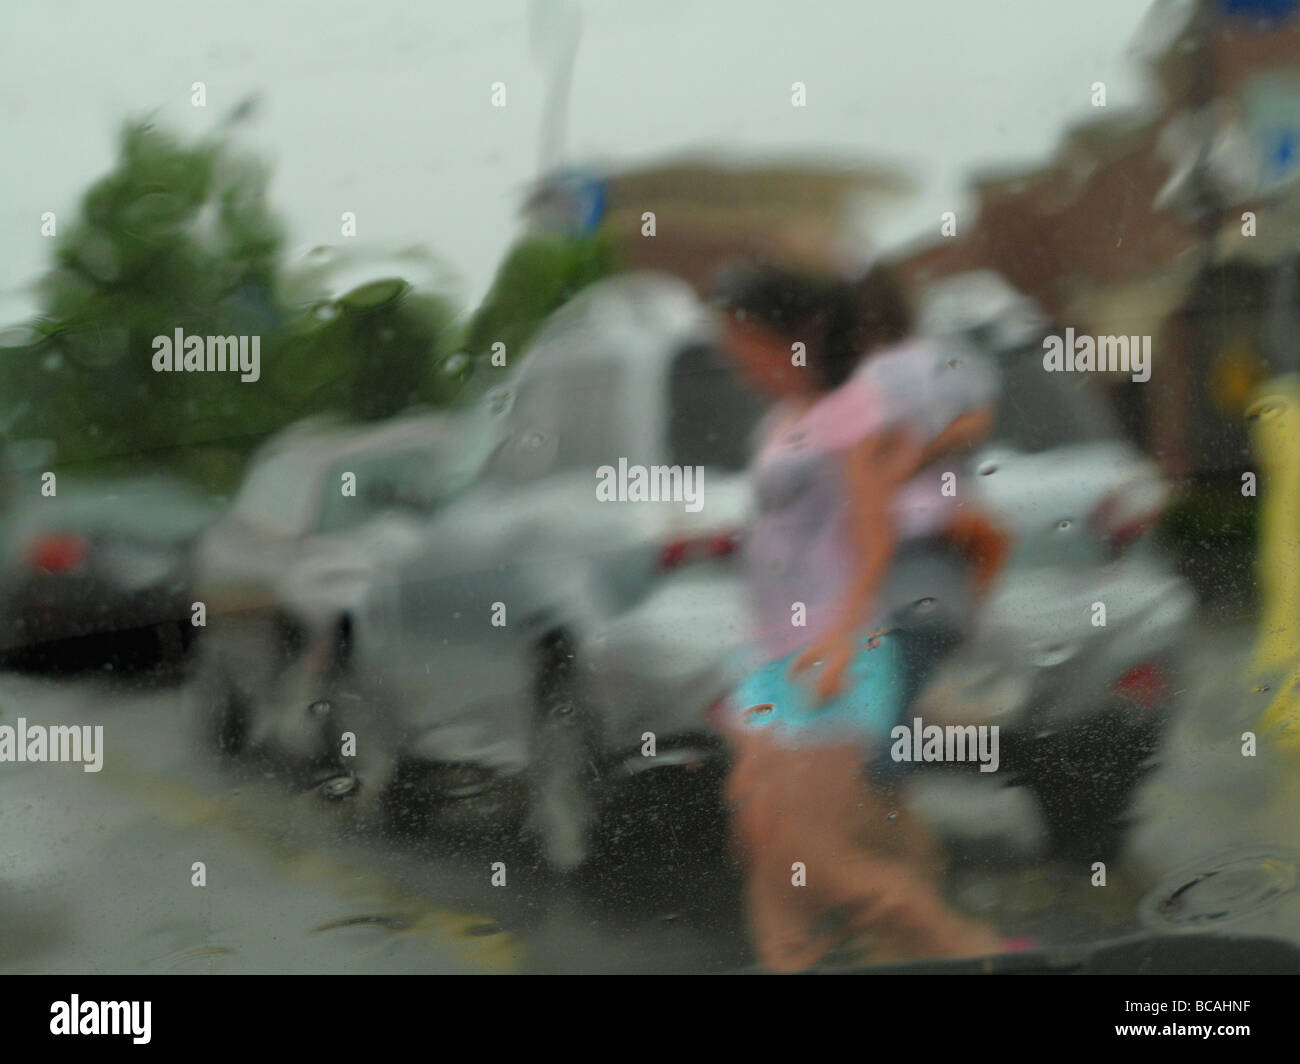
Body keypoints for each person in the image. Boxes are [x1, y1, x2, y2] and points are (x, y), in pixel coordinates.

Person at [711, 260, 1008, 970]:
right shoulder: (781, 421)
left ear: (790, 336)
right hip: (773, 657)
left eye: (743, 340)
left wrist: (844, 639)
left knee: (802, 856)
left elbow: (872, 534)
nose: (734, 357)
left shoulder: (852, 412)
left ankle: (969, 951)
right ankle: (802, 956)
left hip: (830, 654)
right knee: (762, 846)